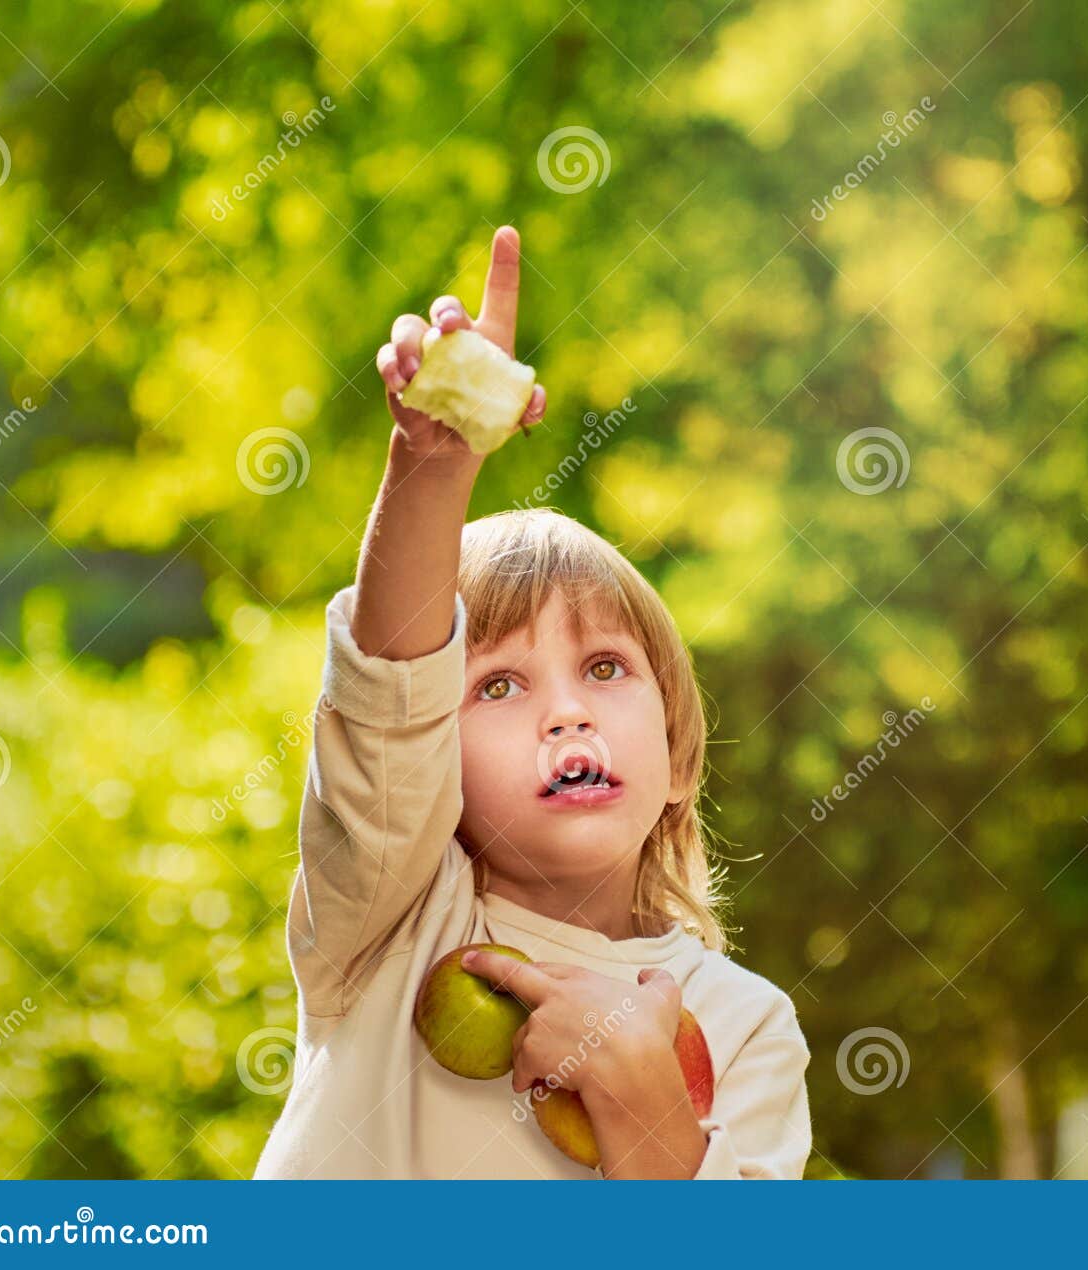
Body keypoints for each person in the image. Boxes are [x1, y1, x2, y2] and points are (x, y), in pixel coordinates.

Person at [253, 226, 812, 1180]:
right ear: (435, 758)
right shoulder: (392, 916)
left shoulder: (746, 1024)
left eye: (604, 669)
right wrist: (433, 467)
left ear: (679, 759)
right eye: (499, 684)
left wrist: (643, 1106)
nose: (568, 715)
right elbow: (389, 694)